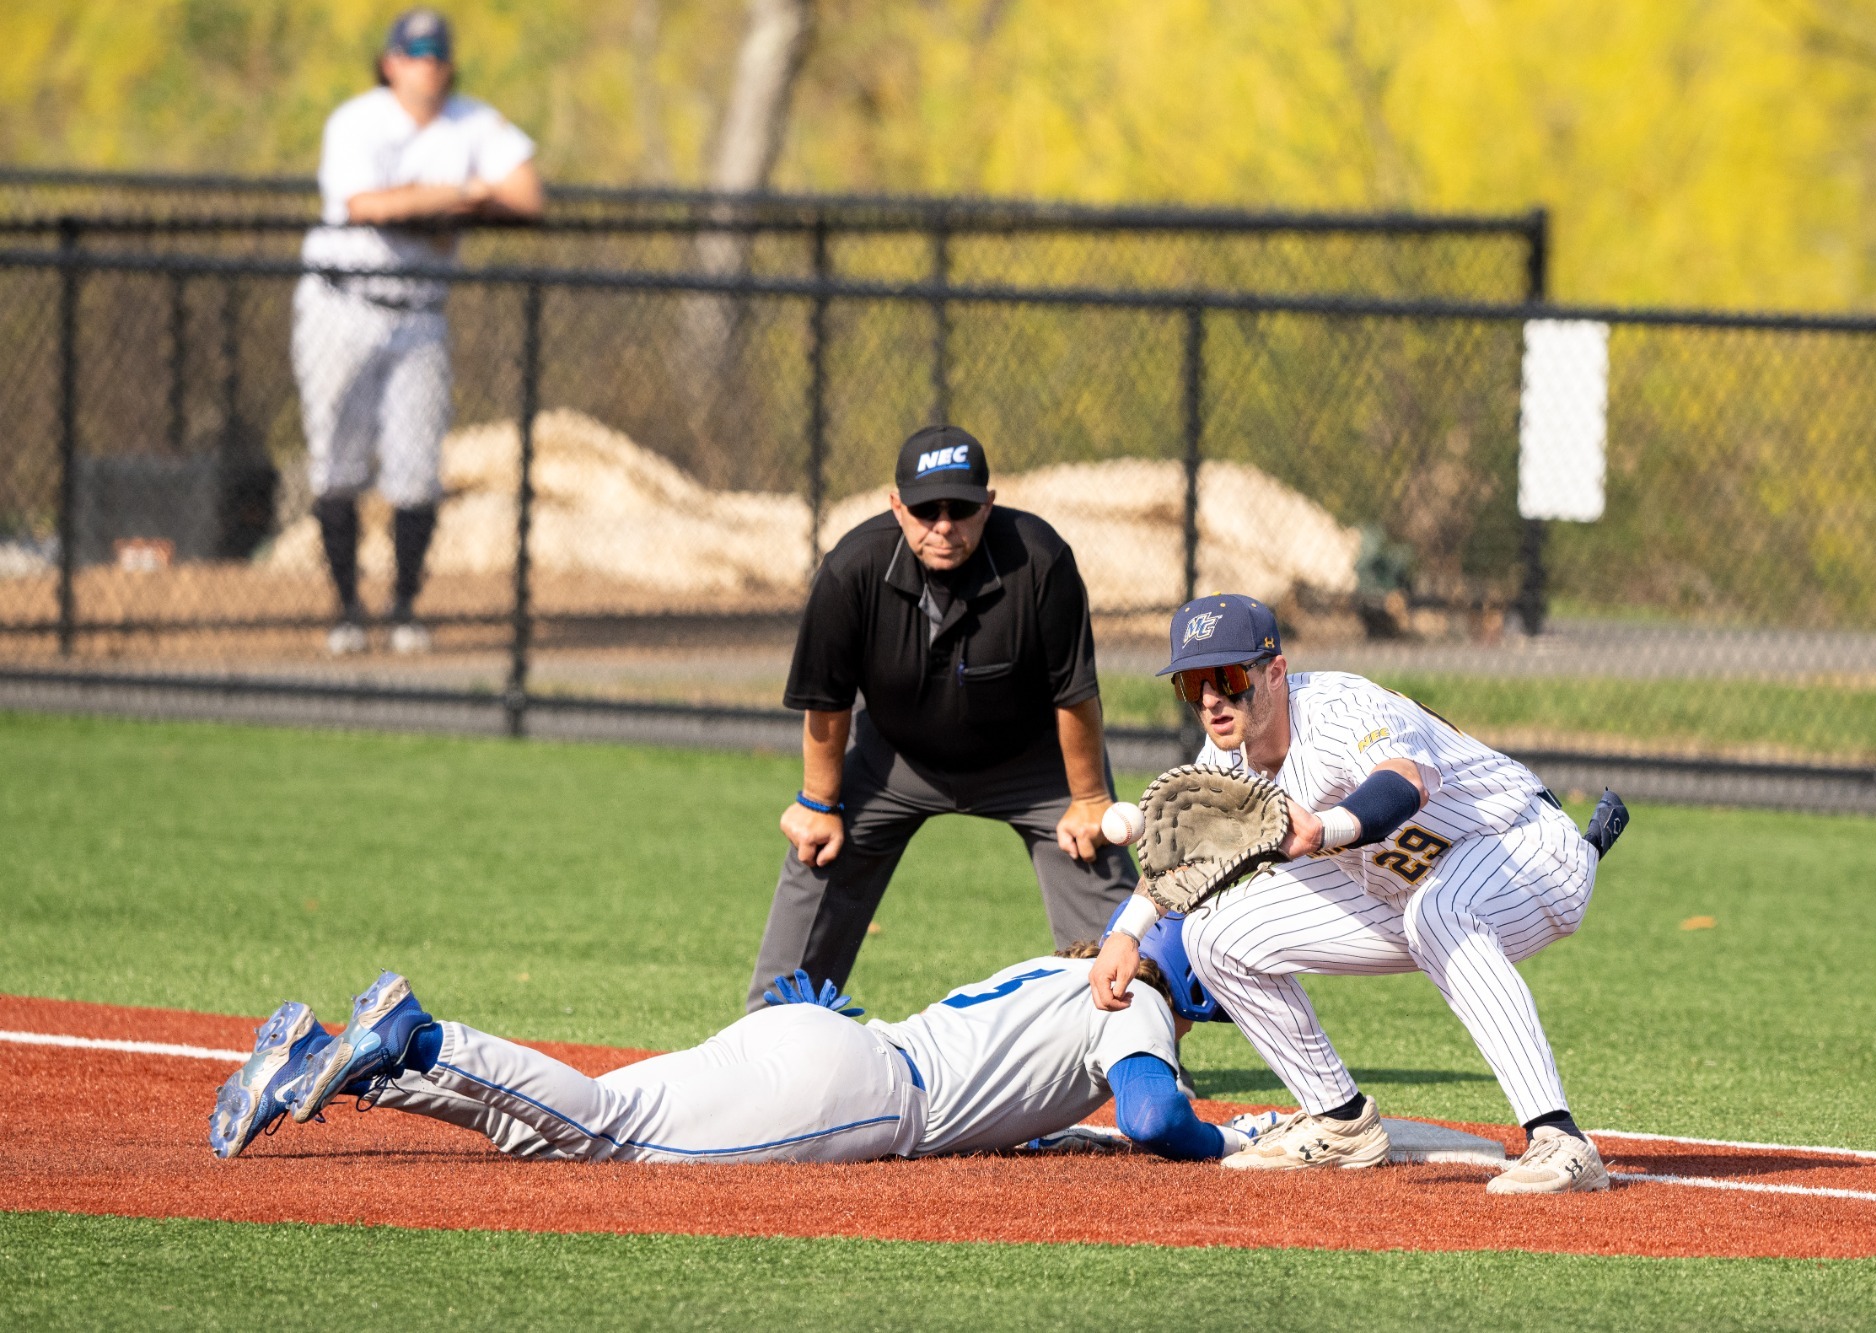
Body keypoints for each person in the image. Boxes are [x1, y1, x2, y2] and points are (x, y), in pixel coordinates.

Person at [1089, 594, 1629, 1194]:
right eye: (1193, 684)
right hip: (1400, 884)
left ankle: (1560, 1140)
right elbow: (1186, 849)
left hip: (1528, 851)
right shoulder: (1225, 757)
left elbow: (1405, 780)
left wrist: (1327, 828)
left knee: (1441, 911)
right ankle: (1339, 1120)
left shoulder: (1341, 709)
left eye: (1228, 677)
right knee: (1215, 935)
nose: (1211, 699)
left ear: (1275, 671)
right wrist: (1127, 933)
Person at [208, 918, 1274, 1166]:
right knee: (608, 1131)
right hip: (863, 1092)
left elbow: (1020, 1090)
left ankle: (326, 1062)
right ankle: (421, 1035)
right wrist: (1222, 1139)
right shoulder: (1136, 1002)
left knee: (549, 1129)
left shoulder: (1068, 963)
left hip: (828, 1036)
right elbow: (1152, 1115)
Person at [745, 424, 1137, 1013]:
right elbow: (825, 701)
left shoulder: (1040, 559)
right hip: (894, 761)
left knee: (1102, 866)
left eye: (961, 508)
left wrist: (1088, 798)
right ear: (897, 506)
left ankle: (1135, 1042)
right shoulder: (851, 569)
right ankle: (770, 1039)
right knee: (817, 848)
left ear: (989, 504)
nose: (944, 525)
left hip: (1033, 763)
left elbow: (1074, 693)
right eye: (927, 510)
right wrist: (819, 804)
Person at [293, 8, 543, 656]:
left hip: (421, 313)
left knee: (416, 468)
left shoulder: (471, 120)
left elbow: (527, 196)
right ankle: (347, 609)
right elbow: (367, 205)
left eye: (436, 54)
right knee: (336, 461)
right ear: (390, 63)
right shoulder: (356, 121)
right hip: (342, 305)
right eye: (414, 54)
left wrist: (441, 200)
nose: (426, 65)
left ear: (449, 65)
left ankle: (403, 607)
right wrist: (458, 194)